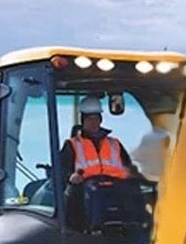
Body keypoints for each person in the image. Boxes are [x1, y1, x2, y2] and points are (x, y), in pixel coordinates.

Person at [61, 96, 147, 233]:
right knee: (92, 192)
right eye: (90, 119)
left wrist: (134, 174)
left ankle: (136, 226)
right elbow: (62, 171)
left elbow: (128, 166)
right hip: (86, 187)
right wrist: (71, 177)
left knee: (135, 190)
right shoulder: (72, 145)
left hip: (116, 185)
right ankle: (93, 230)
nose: (94, 122)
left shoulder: (114, 143)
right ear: (83, 120)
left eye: (96, 118)